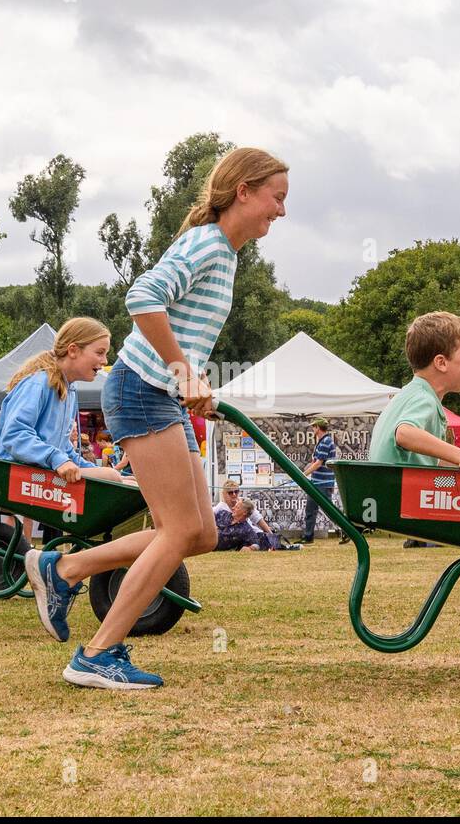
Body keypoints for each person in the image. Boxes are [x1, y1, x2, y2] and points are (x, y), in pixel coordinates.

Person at [22, 147, 289, 690]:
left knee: (203, 533)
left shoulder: (228, 255)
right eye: (276, 198)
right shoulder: (208, 243)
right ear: (244, 192)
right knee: (175, 531)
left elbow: (180, 327)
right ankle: (97, 654)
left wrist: (191, 380)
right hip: (142, 390)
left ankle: (65, 569)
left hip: (159, 393)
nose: (280, 211)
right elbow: (142, 296)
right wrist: (182, 371)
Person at [0, 317, 129, 490]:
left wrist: (95, 470)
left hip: (39, 472)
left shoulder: (68, 390)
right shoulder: (38, 384)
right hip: (14, 475)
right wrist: (57, 459)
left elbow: (64, 449)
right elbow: (14, 435)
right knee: (112, 476)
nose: (105, 361)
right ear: (73, 350)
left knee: (115, 478)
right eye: (100, 353)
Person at [367, 311, 460, 482]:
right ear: (441, 363)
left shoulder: (410, 394)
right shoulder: (424, 399)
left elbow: (430, 461)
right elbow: (405, 434)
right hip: (398, 502)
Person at [300, 417, 338, 543]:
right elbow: (314, 462)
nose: (312, 429)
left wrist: (303, 474)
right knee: (310, 510)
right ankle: (308, 536)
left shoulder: (326, 441)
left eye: (313, 426)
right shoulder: (321, 441)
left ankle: (348, 531)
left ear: (318, 428)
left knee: (330, 511)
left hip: (323, 483)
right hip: (316, 482)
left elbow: (318, 464)